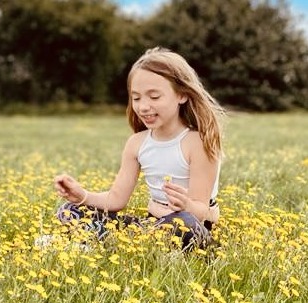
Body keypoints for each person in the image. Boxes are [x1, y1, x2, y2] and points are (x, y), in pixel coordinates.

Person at [49, 47, 224, 250]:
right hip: (152, 226)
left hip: (189, 224)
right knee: (69, 210)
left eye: (154, 97)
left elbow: (201, 211)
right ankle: (128, 243)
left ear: (182, 95)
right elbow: (116, 199)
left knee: (185, 223)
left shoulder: (198, 142)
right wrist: (83, 196)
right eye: (136, 98)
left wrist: (186, 205)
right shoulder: (137, 143)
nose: (143, 107)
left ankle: (108, 243)